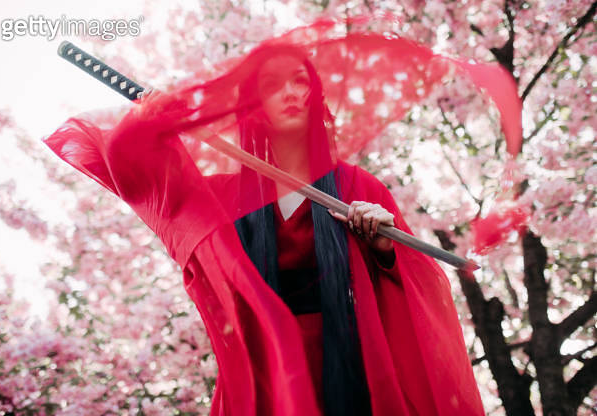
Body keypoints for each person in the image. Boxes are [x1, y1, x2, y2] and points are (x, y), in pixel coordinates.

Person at [44, 25, 491, 416]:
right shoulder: (223, 196)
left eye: (301, 81)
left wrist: (383, 249)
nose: (292, 92)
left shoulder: (358, 187)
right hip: (263, 372)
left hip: (351, 365)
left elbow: (419, 281)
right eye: (275, 85)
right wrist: (152, 119)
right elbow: (136, 170)